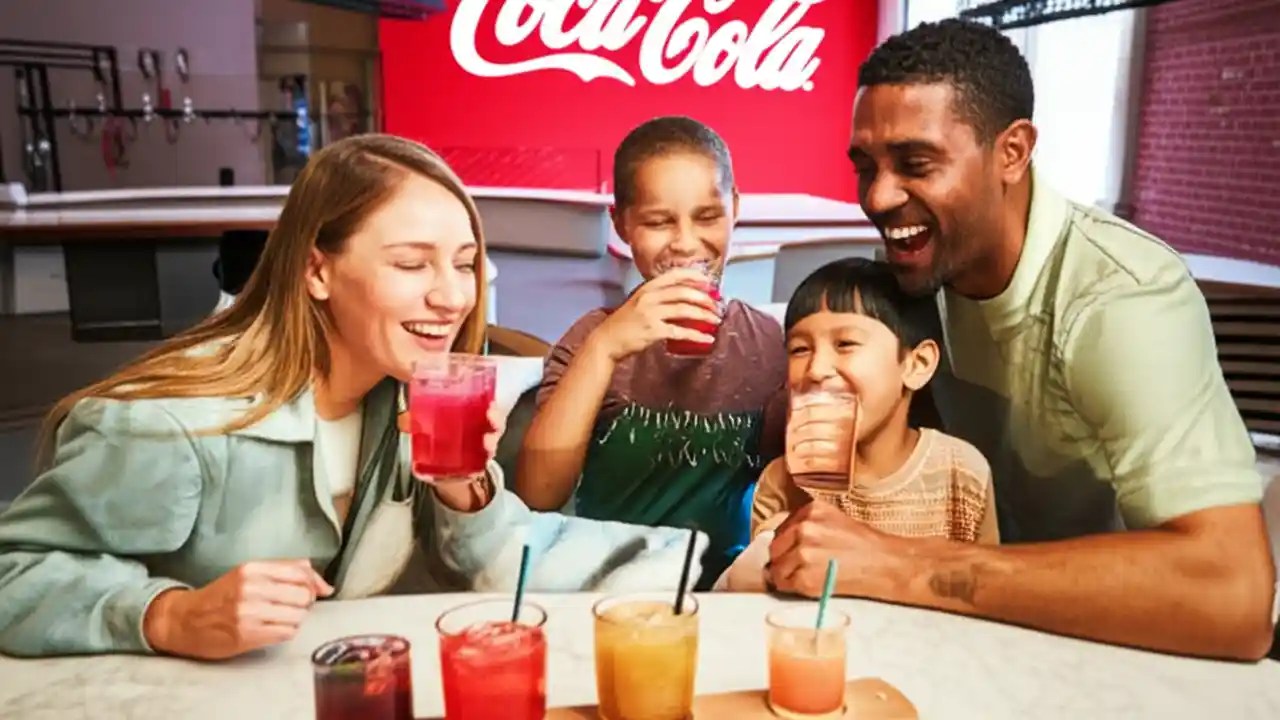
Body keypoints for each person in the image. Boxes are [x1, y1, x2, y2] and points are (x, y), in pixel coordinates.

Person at [0, 134, 707, 660]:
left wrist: (710, 570)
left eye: (465, 264)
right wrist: (169, 616)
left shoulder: (404, 398)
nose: (452, 296)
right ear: (317, 271)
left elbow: (506, 557)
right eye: (412, 264)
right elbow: (15, 574)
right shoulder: (170, 425)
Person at [767, 19, 1278, 660]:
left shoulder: (1119, 300)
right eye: (865, 167)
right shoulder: (918, 267)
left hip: (1110, 650)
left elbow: (1234, 596)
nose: (879, 195)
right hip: (952, 635)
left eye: (916, 164)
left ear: (1012, 152)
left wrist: (899, 564)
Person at [515, 116, 788, 586]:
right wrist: (604, 349)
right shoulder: (592, 339)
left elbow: (794, 481)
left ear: (735, 208)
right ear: (621, 223)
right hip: (606, 585)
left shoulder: (768, 344)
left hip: (724, 591)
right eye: (659, 222)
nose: (685, 243)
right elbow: (538, 495)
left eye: (708, 216)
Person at [716, 258, 996, 592]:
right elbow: (750, 593)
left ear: (916, 364)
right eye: (799, 349)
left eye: (846, 344)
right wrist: (770, 544)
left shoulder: (961, 474)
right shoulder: (782, 481)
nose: (816, 369)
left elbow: (985, 589)